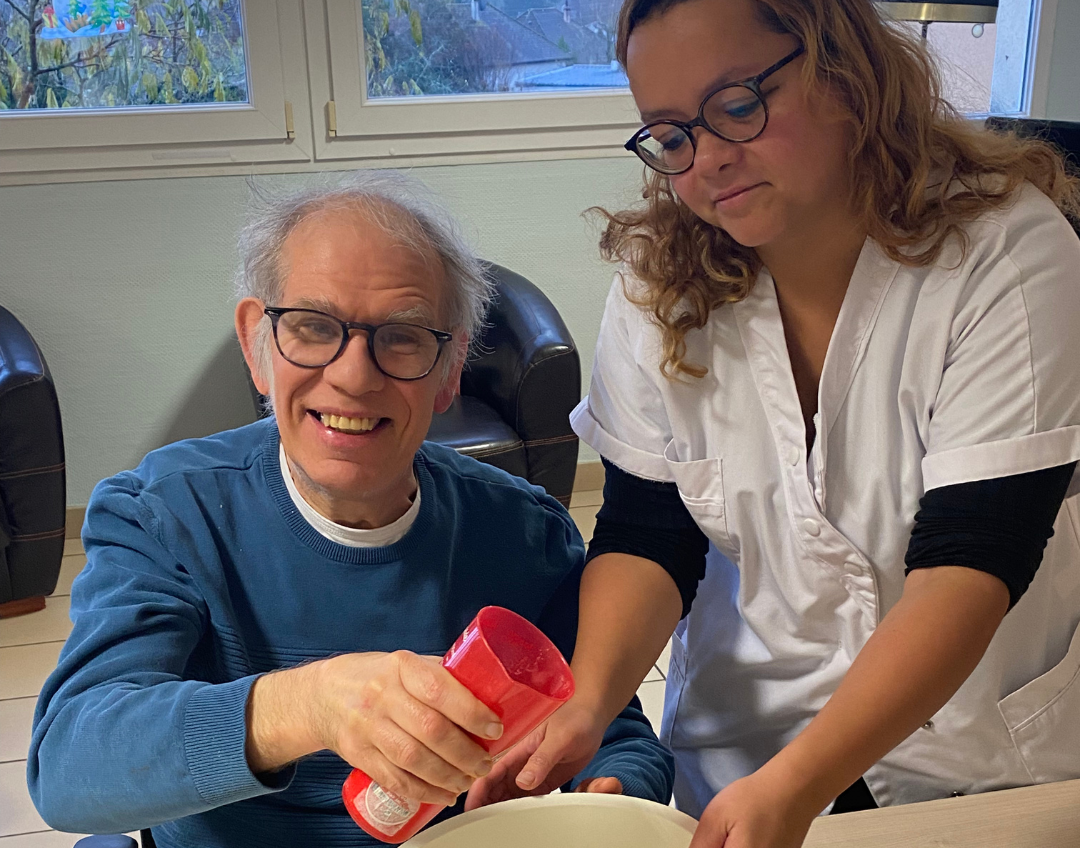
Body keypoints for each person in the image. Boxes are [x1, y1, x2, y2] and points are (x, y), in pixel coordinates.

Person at [465, 1, 1080, 846]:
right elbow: (647, 534)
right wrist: (586, 701)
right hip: (746, 742)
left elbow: (972, 565)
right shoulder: (658, 287)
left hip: (973, 753)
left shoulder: (1006, 251)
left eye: (739, 104)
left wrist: (796, 785)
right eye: (673, 134)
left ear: (845, 69)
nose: (709, 158)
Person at [27, 173, 674, 848]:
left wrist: (612, 790)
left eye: (400, 337)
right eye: (312, 326)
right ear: (258, 344)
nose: (355, 376)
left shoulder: (524, 535)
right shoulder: (164, 515)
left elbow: (613, 730)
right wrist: (309, 705)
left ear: (450, 368)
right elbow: (71, 763)